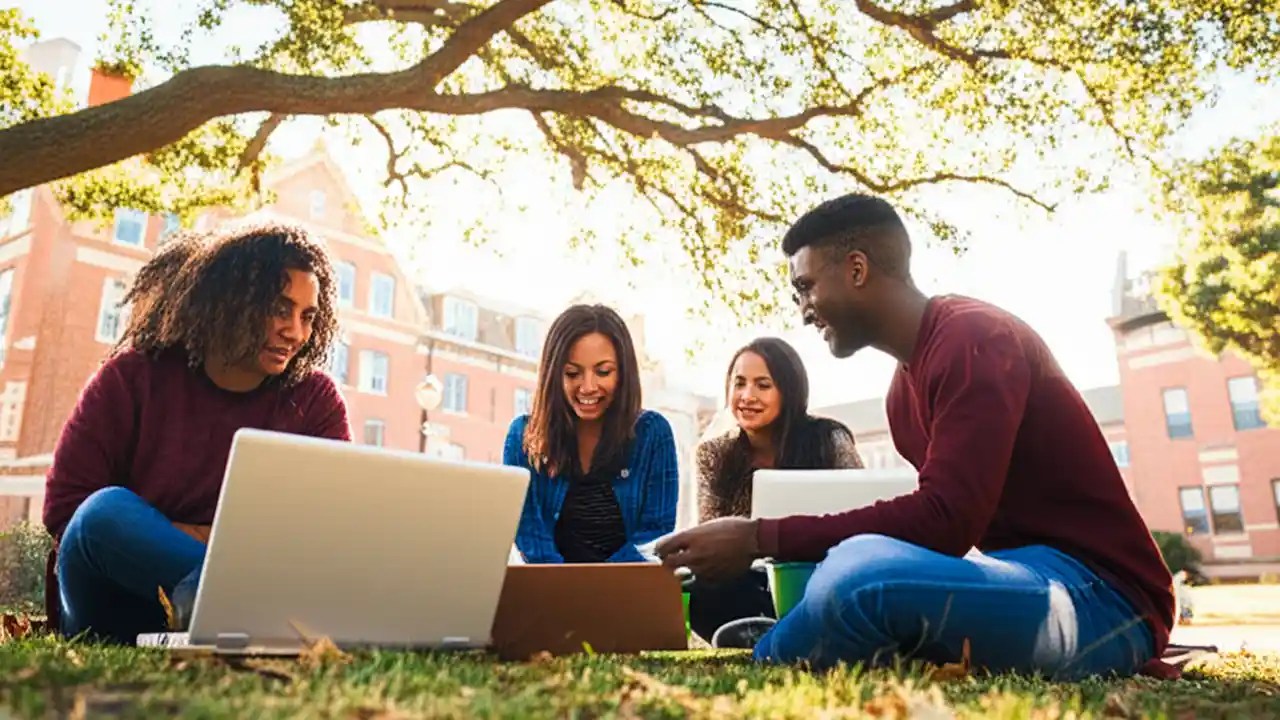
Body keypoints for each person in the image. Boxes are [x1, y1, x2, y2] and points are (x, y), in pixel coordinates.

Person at [656, 194, 1174, 680]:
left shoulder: (975, 338)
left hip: (1105, 598)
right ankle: (820, 630)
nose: (804, 310)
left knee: (860, 573)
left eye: (807, 287)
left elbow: (947, 520)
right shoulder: (900, 399)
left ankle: (776, 649)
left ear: (856, 269)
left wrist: (756, 537)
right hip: (1020, 574)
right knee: (861, 567)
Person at [42, 223, 352, 643]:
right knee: (103, 512)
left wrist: (176, 529)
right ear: (229, 302)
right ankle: (234, 605)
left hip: (262, 588)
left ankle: (219, 606)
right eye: (280, 309)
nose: (295, 332)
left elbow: (327, 526)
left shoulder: (315, 399)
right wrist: (210, 546)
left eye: (307, 316)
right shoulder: (133, 376)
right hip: (115, 602)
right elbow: (67, 509)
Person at [689, 336, 862, 645]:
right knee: (706, 588)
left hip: (816, 571)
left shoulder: (828, 438)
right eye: (739, 383)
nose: (747, 396)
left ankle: (796, 628)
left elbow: (862, 512)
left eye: (763, 385)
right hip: (749, 581)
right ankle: (763, 631)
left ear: (789, 390)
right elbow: (711, 536)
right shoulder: (713, 454)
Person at [503, 304, 678, 564]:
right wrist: (568, 589)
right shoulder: (523, 436)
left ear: (623, 373)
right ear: (553, 375)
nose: (587, 387)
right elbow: (528, 531)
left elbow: (655, 533)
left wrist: (598, 586)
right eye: (572, 373)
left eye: (603, 372)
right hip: (550, 594)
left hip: (629, 592)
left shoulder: (653, 433)